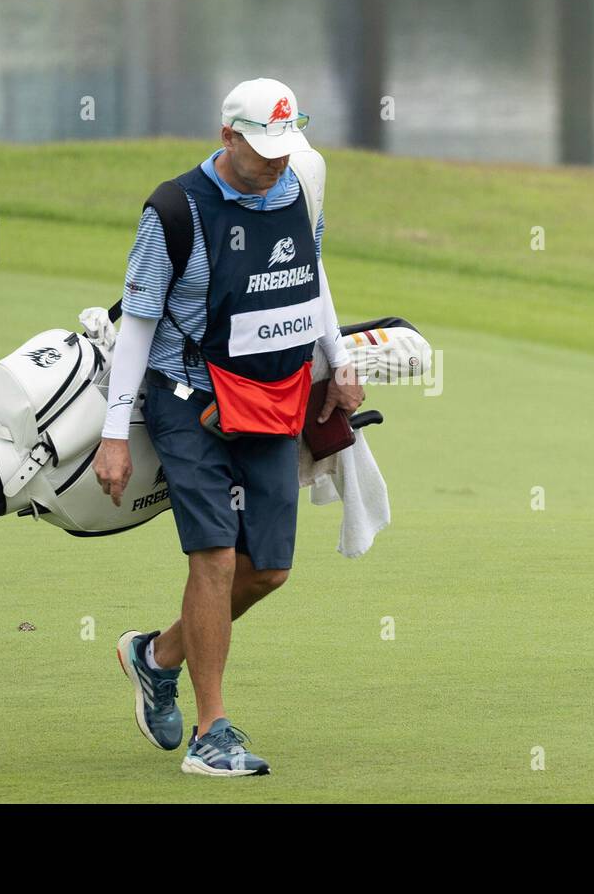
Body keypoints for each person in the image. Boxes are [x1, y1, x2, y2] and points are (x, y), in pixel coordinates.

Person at [95, 78, 366, 775]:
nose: (276, 163)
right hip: (187, 400)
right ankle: (212, 731)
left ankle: (155, 658)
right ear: (227, 137)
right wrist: (116, 431)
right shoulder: (174, 210)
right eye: (262, 149)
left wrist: (339, 359)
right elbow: (138, 324)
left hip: (272, 400)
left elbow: (312, 275)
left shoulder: (296, 189)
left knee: (268, 570)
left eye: (285, 148)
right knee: (214, 557)